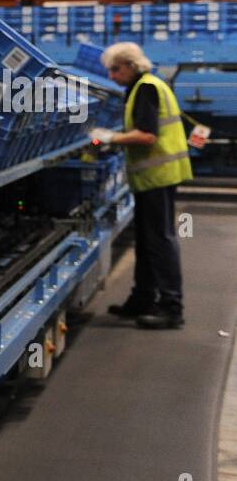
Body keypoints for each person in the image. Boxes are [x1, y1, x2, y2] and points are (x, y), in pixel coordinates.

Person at [91, 42, 191, 329]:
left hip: (158, 177)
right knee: (148, 243)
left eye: (114, 69)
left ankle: (172, 307)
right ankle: (143, 298)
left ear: (130, 66)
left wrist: (109, 138)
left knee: (160, 240)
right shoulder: (142, 87)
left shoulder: (146, 88)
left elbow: (147, 136)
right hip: (152, 178)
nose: (111, 76)